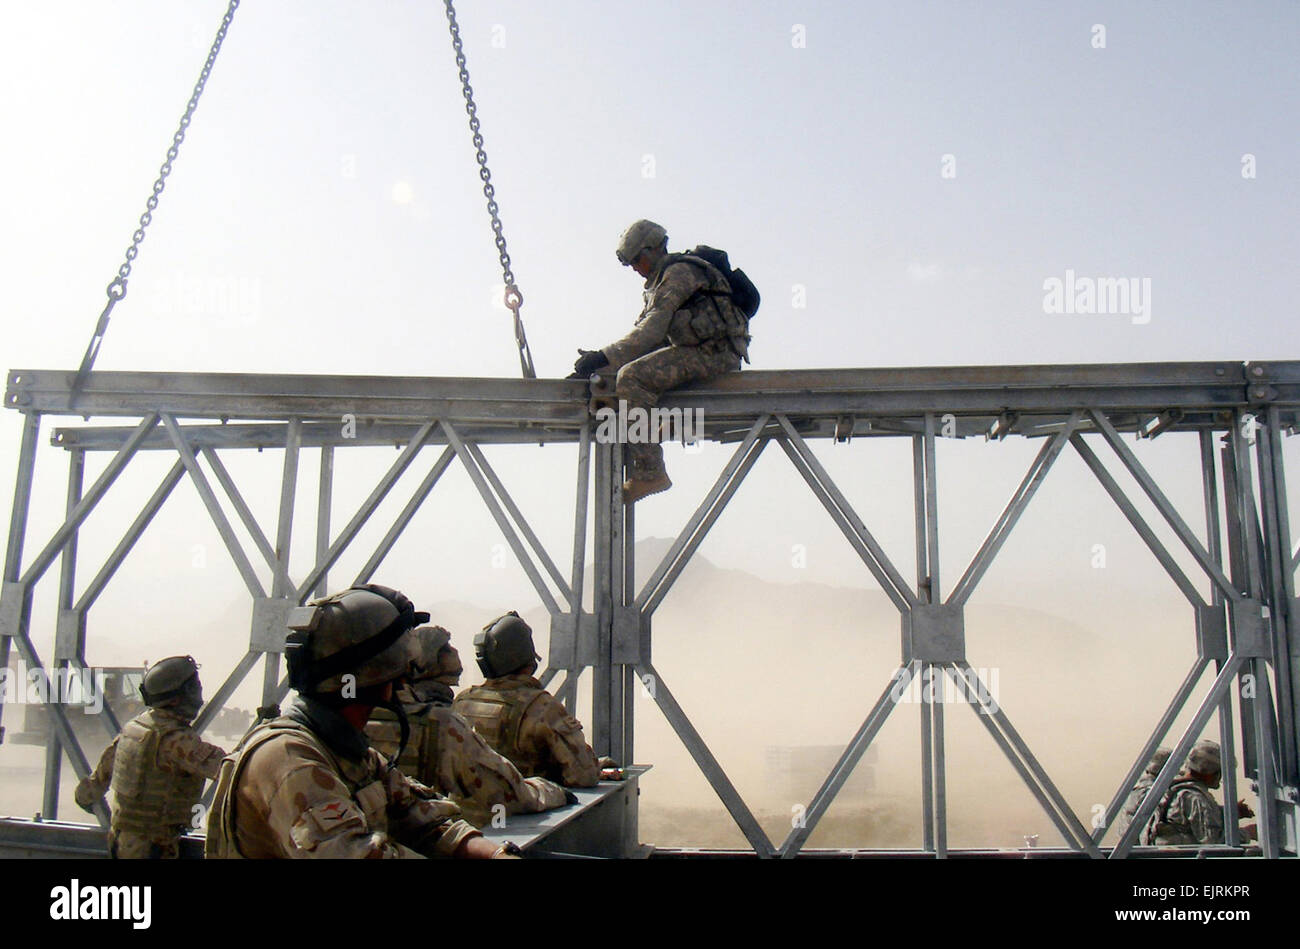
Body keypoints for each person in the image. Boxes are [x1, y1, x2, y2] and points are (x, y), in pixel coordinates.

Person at [205, 584, 512, 859]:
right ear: (382, 675)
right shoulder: (289, 760)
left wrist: (497, 854)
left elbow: (427, 823)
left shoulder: (355, 755)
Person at [570, 219, 750, 503]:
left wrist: (604, 356)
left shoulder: (679, 274)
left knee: (632, 379)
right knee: (628, 374)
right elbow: (644, 337)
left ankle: (651, 473)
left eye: (636, 259)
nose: (634, 268)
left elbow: (651, 332)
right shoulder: (660, 281)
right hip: (701, 350)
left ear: (653, 249)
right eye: (629, 263)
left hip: (717, 353)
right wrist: (600, 366)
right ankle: (653, 437)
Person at [366, 625, 573, 826]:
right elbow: (507, 792)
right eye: (445, 648)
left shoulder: (355, 717)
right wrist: (551, 790)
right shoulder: (439, 723)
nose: (455, 651)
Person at [74, 655, 226, 859]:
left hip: (120, 842)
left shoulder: (134, 728)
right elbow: (232, 768)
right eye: (195, 686)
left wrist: (87, 799)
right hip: (154, 848)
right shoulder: (176, 740)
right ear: (179, 697)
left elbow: (92, 787)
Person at [452, 612, 601, 787]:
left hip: (468, 813)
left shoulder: (461, 702)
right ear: (527, 657)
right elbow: (584, 775)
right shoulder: (541, 707)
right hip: (524, 809)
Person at [1142, 739, 1255, 845]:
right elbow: (1212, 841)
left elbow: (1194, 821)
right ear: (1209, 772)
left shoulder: (1174, 789)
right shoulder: (1194, 797)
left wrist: (1229, 813)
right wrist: (1248, 833)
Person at [1116, 747, 1171, 835]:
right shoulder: (1151, 792)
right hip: (1137, 845)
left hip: (1129, 844)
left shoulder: (1138, 788)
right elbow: (1153, 828)